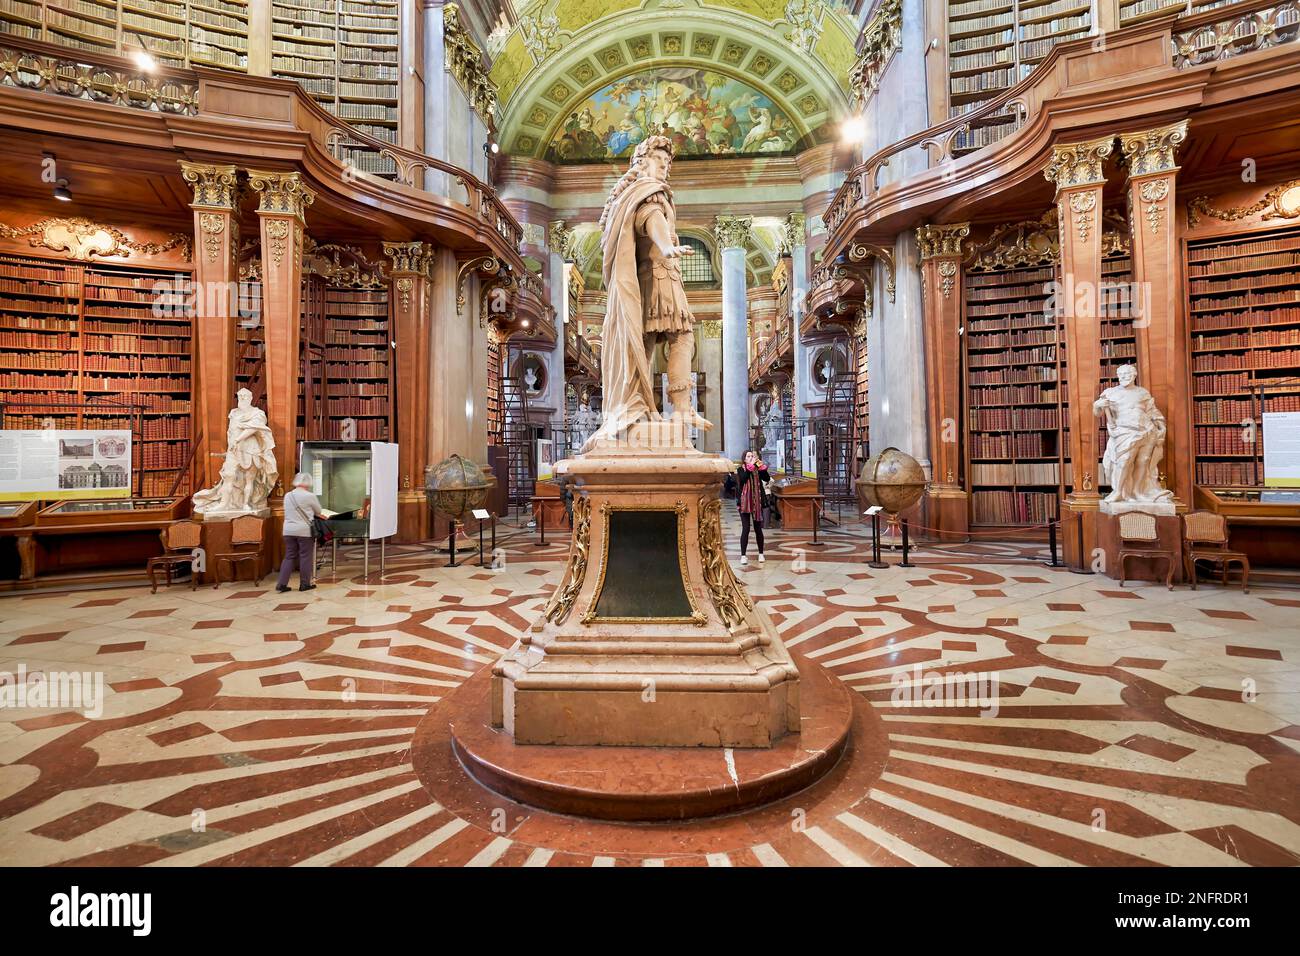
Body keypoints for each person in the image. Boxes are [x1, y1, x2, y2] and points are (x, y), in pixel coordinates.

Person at [277, 472, 323, 593]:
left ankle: (281, 584)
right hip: (304, 531)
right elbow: (318, 511)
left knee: (289, 556)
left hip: (288, 530)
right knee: (305, 557)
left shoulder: (288, 495)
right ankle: (304, 584)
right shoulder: (309, 496)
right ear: (308, 483)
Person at [736, 450, 771, 566]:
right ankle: (743, 555)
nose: (751, 457)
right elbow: (743, 479)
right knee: (745, 528)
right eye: (748, 456)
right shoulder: (741, 469)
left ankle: (761, 553)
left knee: (758, 529)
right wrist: (751, 467)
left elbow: (766, 479)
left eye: (752, 456)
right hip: (745, 502)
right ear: (744, 459)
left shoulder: (757, 470)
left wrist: (763, 469)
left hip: (757, 502)